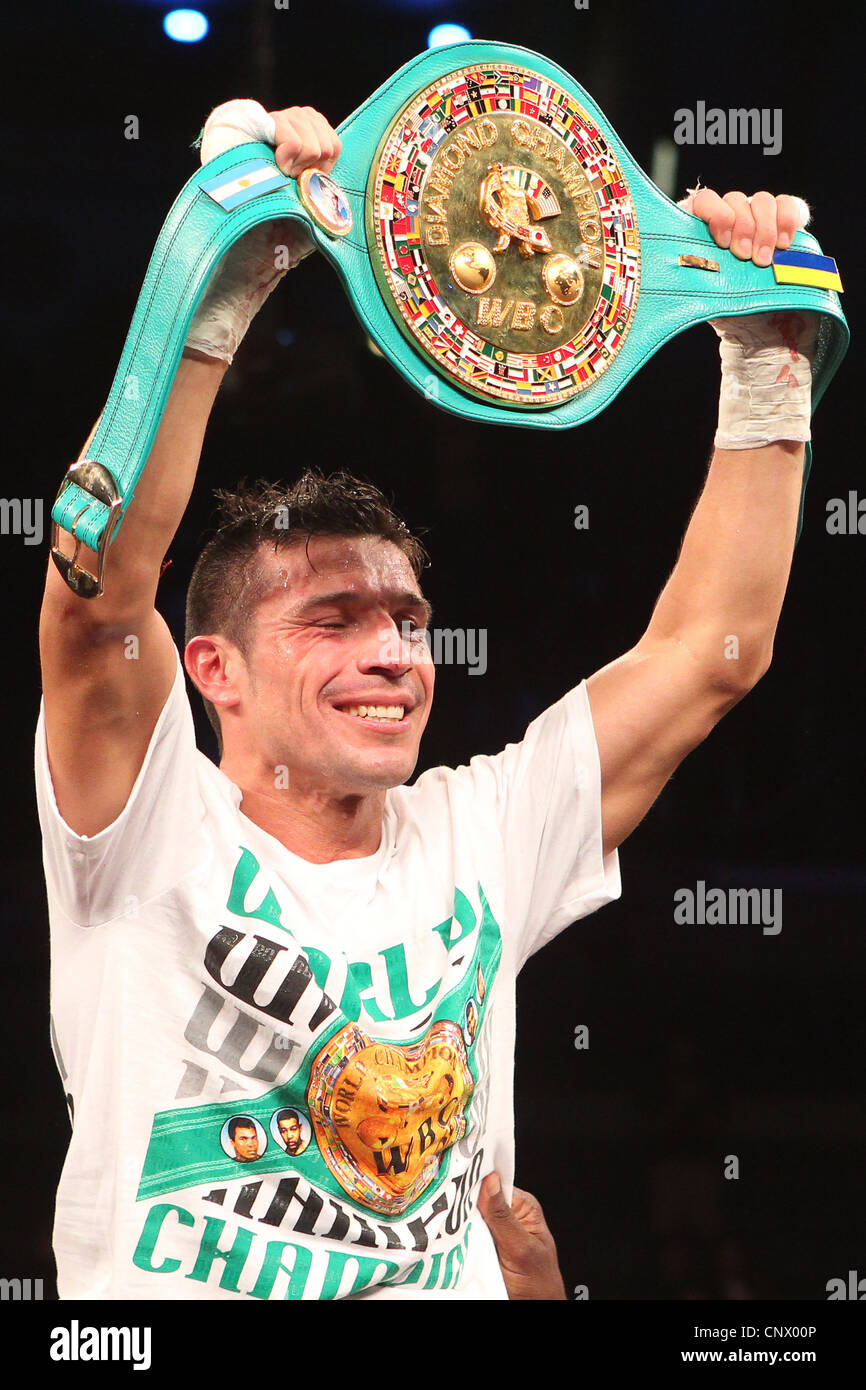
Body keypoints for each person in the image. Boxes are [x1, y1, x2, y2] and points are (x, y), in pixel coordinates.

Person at [36, 100, 821, 1301]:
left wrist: (766, 356)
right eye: (331, 621)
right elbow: (94, 604)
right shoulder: (143, 838)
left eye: (405, 620)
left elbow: (710, 655)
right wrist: (223, 277)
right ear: (215, 672)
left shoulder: (478, 833)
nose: (394, 651)